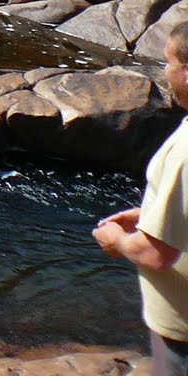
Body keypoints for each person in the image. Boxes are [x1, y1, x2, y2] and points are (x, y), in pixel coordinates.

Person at [94, 21, 188, 376]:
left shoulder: (184, 152)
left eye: (168, 62)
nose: (164, 71)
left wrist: (116, 240)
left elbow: (155, 254)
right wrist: (151, 213)